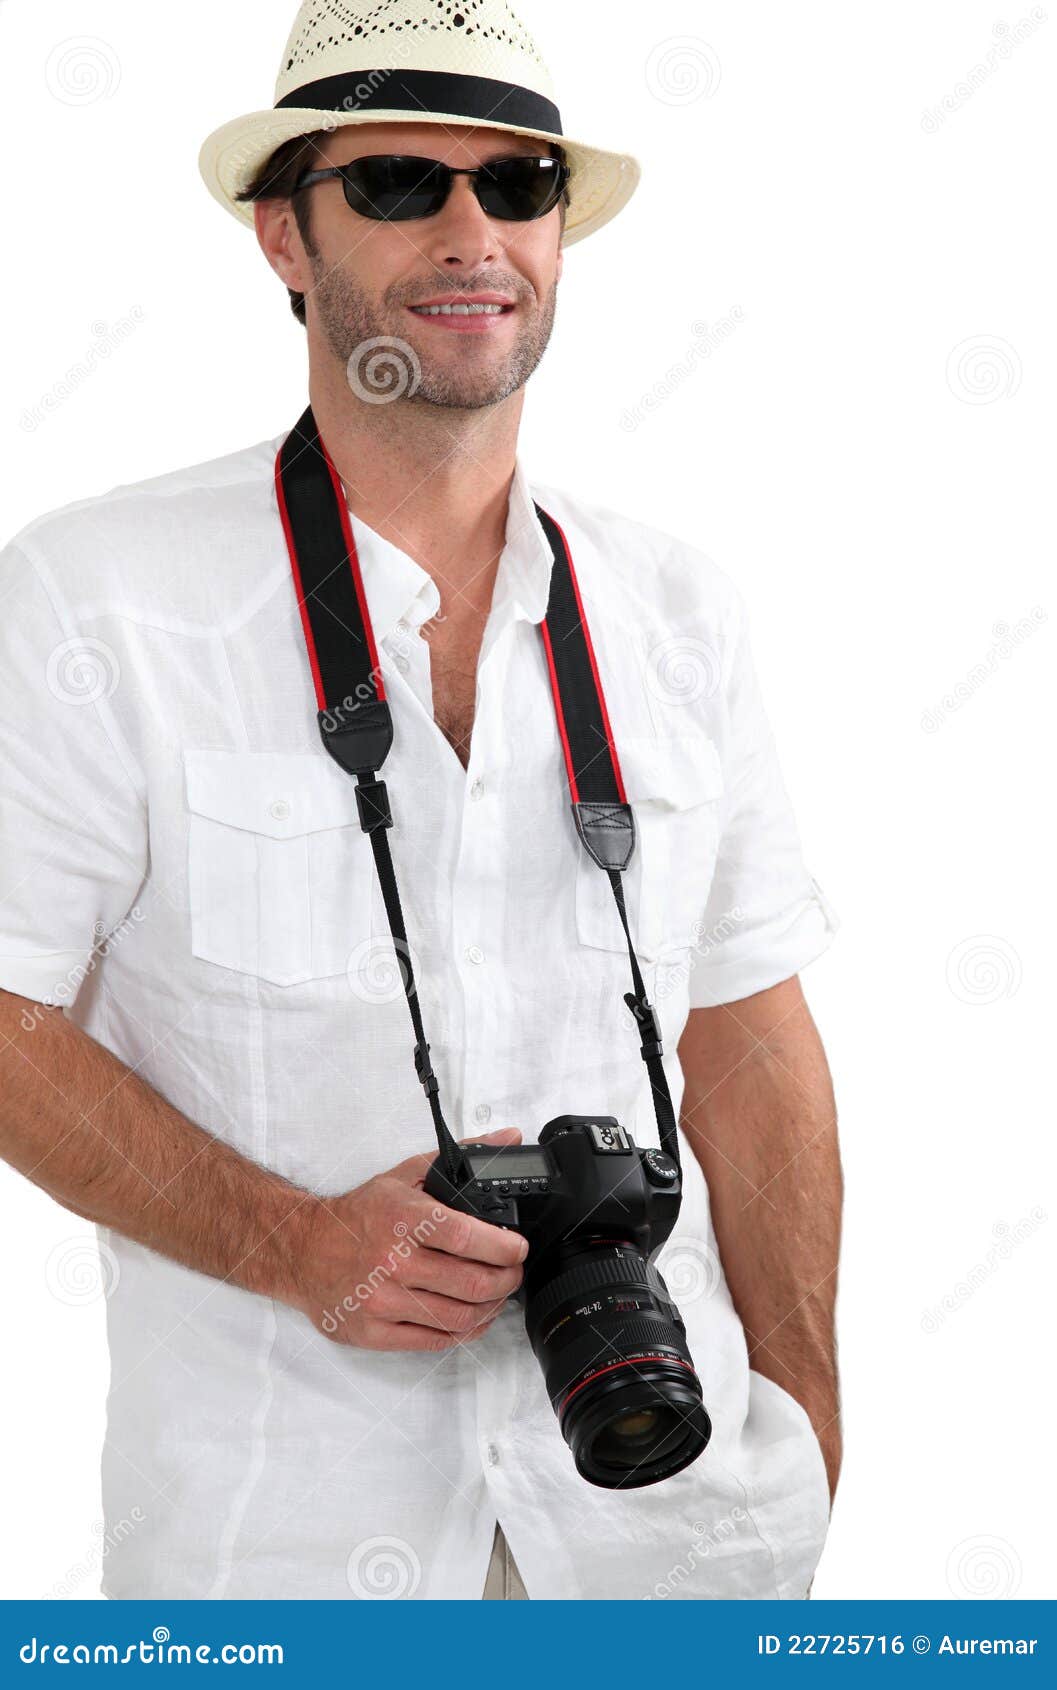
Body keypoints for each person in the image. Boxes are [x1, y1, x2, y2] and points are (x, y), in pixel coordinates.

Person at [0, 0, 842, 1600]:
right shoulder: (95, 599)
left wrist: (806, 1413)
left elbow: (749, 1028)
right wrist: (286, 1241)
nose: (472, 232)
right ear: (283, 236)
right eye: (396, 183)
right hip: (283, 1561)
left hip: (676, 1540)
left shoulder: (679, 613)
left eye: (519, 184)